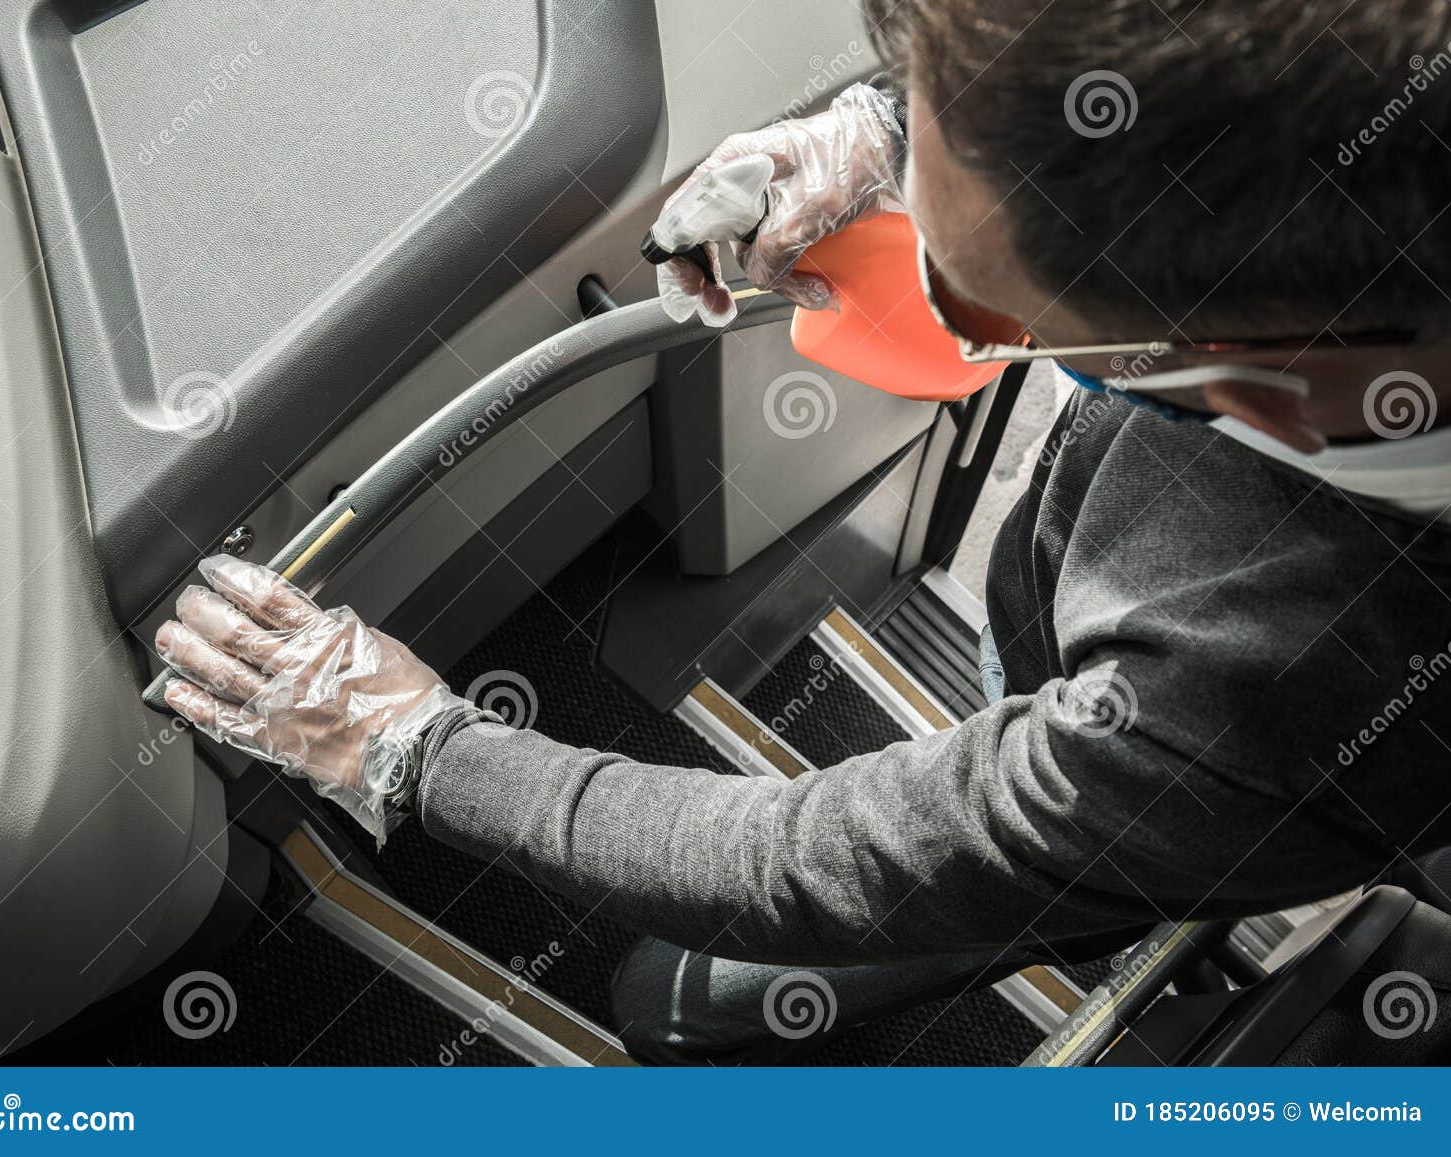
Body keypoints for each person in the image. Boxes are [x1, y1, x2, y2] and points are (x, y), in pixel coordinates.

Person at [152, 0, 1451, 1064]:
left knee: (1001, 862)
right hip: (1084, 629)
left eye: (979, 312)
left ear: (1254, 363)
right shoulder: (1354, 222)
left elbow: (797, 851)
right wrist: (884, 136)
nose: (924, 289)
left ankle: (991, 916)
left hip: (1170, 783)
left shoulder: (1274, 688)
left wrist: (409, 746)